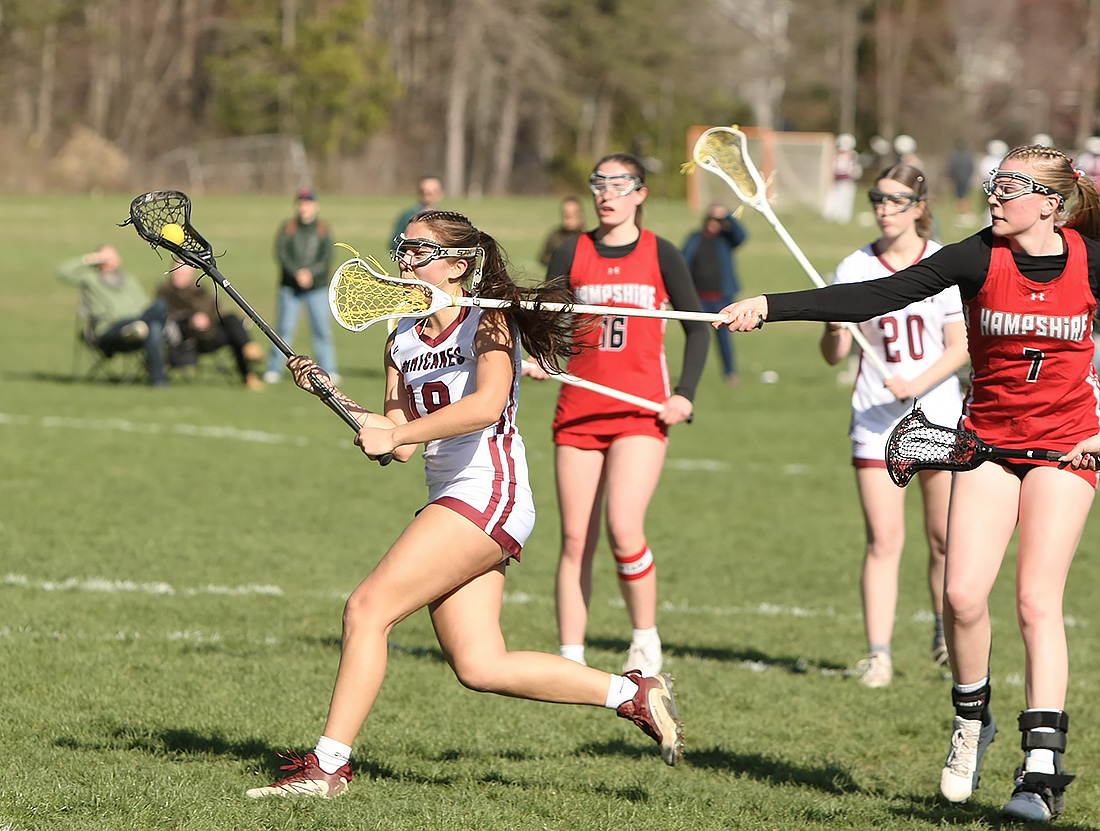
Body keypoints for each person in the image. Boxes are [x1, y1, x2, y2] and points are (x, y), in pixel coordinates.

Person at [717, 144, 1100, 823]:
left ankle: (1040, 770)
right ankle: (971, 721)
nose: (993, 194)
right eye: (992, 182)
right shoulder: (976, 256)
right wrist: (770, 305)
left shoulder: (1091, 262)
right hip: (987, 442)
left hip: (1065, 445)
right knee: (961, 594)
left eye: (1008, 185)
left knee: (1036, 600)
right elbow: (875, 295)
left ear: (1050, 202)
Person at [245, 209, 684, 799]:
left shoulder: (488, 321)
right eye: (403, 247)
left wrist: (398, 435)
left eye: (420, 250)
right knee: (479, 665)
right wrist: (332, 395)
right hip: (452, 497)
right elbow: (398, 440)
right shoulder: (400, 337)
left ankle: (328, 768)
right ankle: (633, 692)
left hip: (489, 491)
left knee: (367, 610)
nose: (405, 259)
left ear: (457, 264)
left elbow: (486, 405)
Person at [537, 153, 709, 676]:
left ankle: (644, 639)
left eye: (619, 184)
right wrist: (542, 358)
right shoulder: (571, 250)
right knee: (575, 538)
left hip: (640, 414)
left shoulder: (662, 253)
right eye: (599, 184)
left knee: (624, 528)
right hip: (578, 412)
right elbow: (546, 323)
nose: (606, 193)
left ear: (640, 193)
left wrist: (684, 394)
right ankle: (571, 657)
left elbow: (697, 327)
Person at [820, 165, 968, 688]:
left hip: (939, 417)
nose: (884, 209)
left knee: (944, 539)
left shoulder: (943, 263)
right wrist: (834, 324)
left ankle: (946, 638)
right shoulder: (854, 266)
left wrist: (916, 383)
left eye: (896, 200)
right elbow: (834, 355)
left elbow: (959, 347)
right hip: (876, 419)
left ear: (918, 206)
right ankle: (878, 655)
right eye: (877, 198)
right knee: (883, 540)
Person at [58, 244, 169, 386]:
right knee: (153, 328)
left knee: (160, 306)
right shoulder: (90, 278)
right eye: (104, 257)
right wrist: (90, 259)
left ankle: (138, 327)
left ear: (119, 260)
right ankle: (159, 380)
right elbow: (63, 272)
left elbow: (144, 305)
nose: (108, 260)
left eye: (111, 257)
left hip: (137, 322)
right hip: (109, 329)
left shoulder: (129, 279)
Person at [263, 188, 338, 384]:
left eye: (308, 203)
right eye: (301, 203)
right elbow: (281, 253)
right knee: (284, 329)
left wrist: (311, 273)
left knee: (322, 330)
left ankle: (329, 369)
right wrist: (296, 272)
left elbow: (327, 256)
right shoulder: (288, 227)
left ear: (315, 206)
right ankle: (274, 368)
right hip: (290, 287)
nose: (304, 207)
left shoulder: (322, 228)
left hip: (317, 287)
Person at [156, 260, 265, 390]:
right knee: (233, 330)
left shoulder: (200, 289)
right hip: (189, 339)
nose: (181, 276)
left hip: (210, 332)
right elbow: (165, 316)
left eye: (185, 273)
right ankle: (248, 357)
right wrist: (190, 320)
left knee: (231, 321)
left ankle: (249, 361)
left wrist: (205, 317)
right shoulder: (166, 291)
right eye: (178, 272)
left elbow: (215, 309)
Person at [682, 203, 749, 383]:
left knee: (724, 339)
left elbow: (742, 236)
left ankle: (730, 373)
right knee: (697, 337)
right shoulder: (696, 238)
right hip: (699, 298)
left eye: (719, 220)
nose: (715, 222)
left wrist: (727, 217)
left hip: (722, 298)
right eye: (712, 218)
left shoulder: (725, 239)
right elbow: (683, 259)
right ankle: (692, 375)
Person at [823, 133, 863, 224]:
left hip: (842, 180)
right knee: (835, 198)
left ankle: (839, 216)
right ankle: (835, 215)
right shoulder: (843, 155)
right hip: (841, 180)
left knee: (840, 198)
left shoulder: (844, 155)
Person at [392, 175, 444, 240]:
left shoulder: (444, 219)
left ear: (441, 193)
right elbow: (395, 242)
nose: (428, 196)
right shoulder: (407, 216)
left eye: (433, 192)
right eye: (424, 192)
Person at [538, 196, 585, 266]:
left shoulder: (588, 237)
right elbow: (544, 258)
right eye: (565, 214)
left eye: (572, 214)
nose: (568, 218)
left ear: (580, 215)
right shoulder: (555, 236)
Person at [946, 142, 976, 226]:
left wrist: (951, 177)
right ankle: (967, 212)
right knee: (966, 195)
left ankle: (962, 213)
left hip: (958, 179)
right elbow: (971, 167)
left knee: (959, 196)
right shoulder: (968, 156)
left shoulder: (955, 157)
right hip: (966, 179)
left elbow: (951, 168)